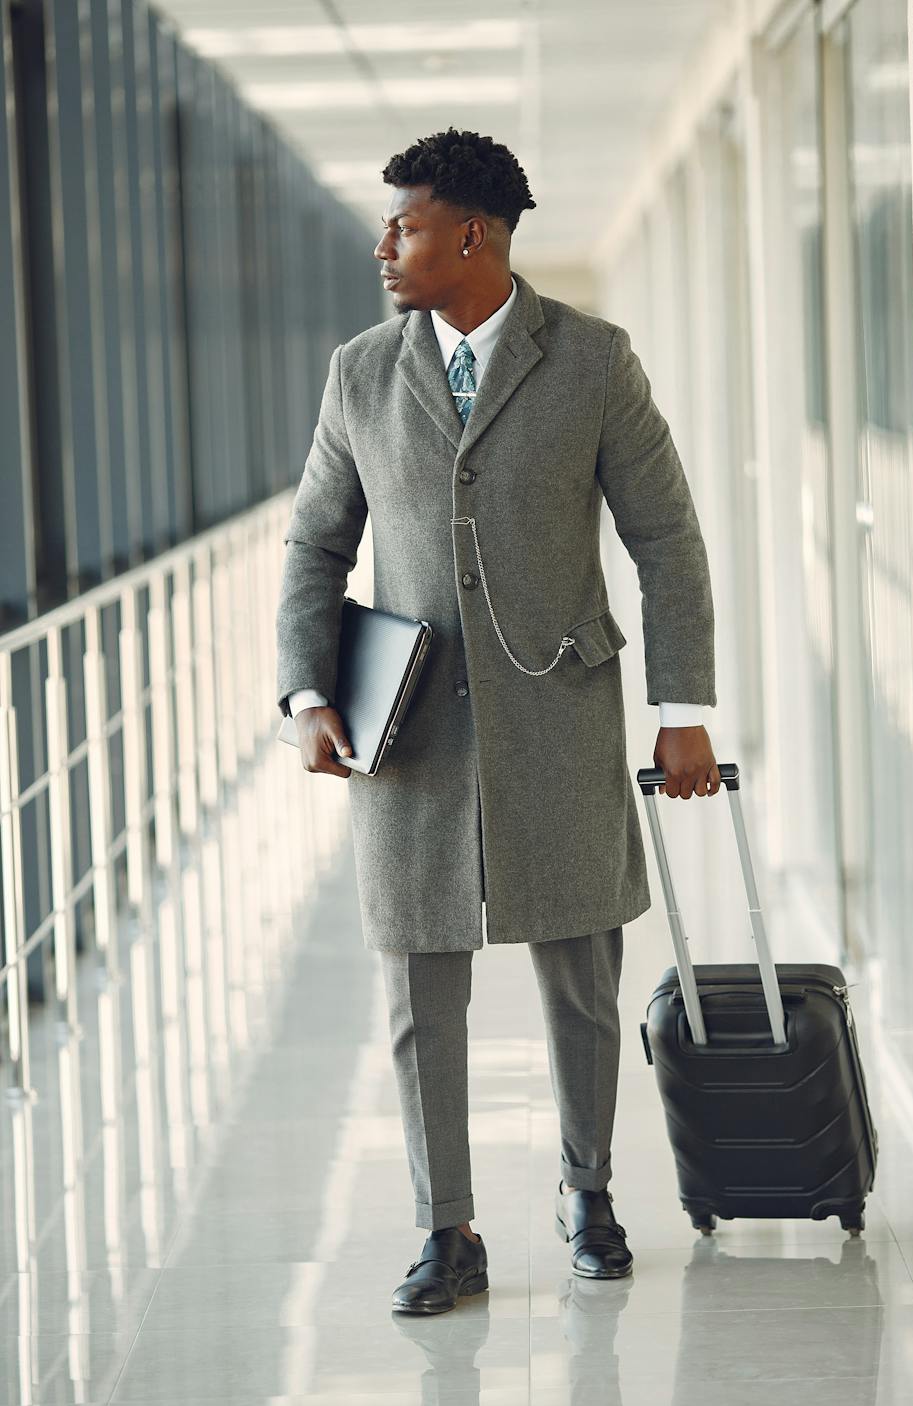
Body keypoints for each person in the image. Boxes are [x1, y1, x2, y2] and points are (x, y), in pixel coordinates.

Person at [275, 126, 721, 1316]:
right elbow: (317, 541)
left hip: (559, 713)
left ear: (471, 234)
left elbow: (665, 539)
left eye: (405, 225)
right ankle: (444, 1228)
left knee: (579, 974)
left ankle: (589, 1191)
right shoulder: (359, 374)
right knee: (420, 990)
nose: (385, 247)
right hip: (408, 733)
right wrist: (308, 692)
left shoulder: (590, 359)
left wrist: (682, 709)